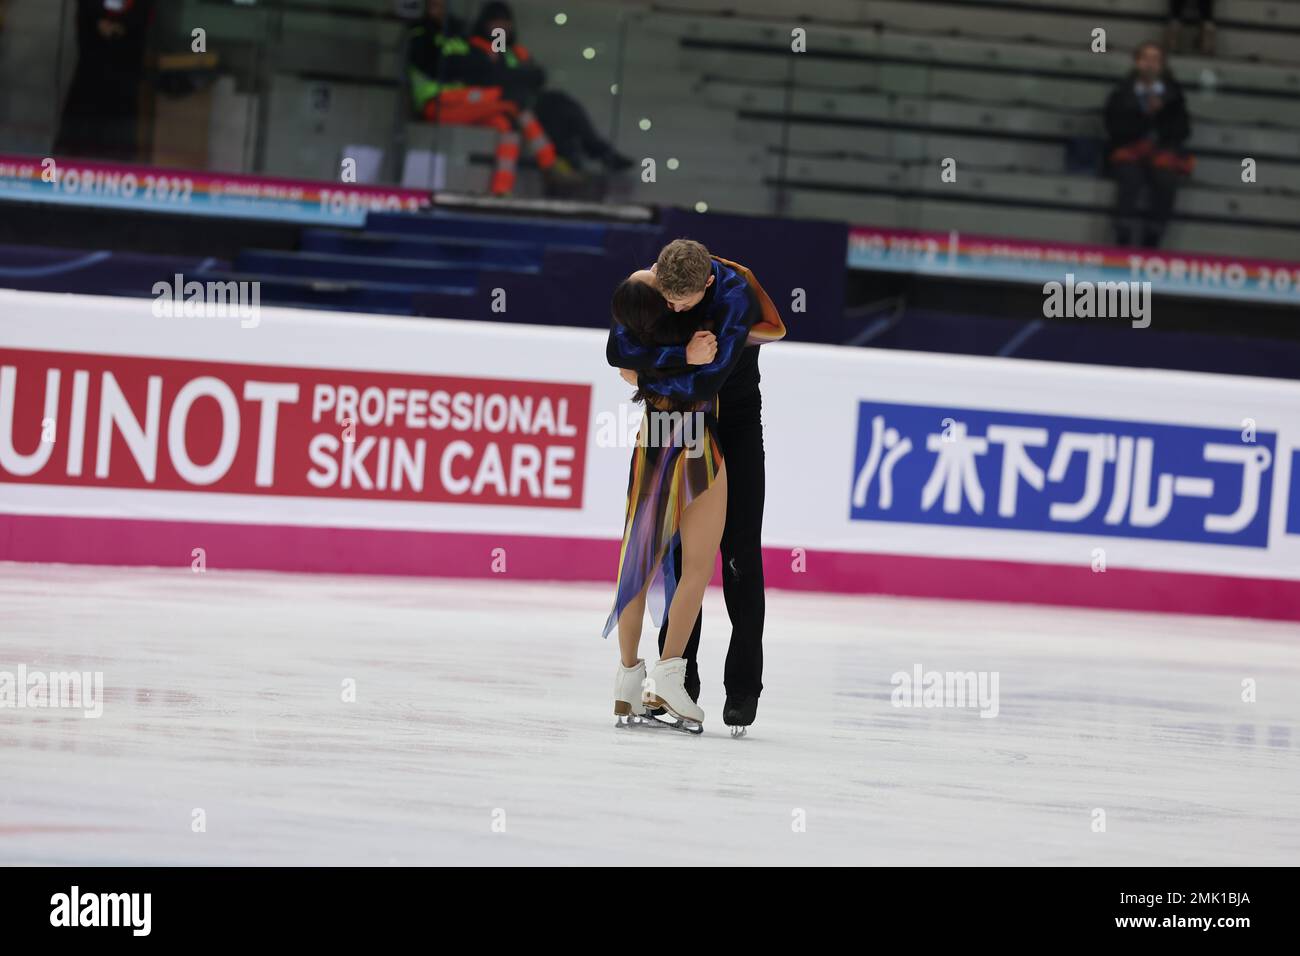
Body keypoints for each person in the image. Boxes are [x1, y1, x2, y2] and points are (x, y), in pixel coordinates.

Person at [606, 239, 786, 735]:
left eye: (680, 303)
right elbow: (617, 353)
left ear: (706, 285)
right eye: (666, 299)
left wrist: (652, 368)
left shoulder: (735, 293)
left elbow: (703, 380)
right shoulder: (648, 285)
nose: (670, 308)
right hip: (675, 423)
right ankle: (676, 679)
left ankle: (743, 688)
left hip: (734, 426)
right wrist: (678, 354)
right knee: (677, 558)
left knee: (741, 555)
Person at [1104, 42, 1193, 249]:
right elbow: (1112, 126)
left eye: (1155, 60)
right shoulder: (1121, 92)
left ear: (1162, 65)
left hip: (1161, 152)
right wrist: (1142, 117)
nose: (1150, 65)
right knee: (1130, 178)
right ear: (1137, 62)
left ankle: (1153, 235)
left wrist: (1162, 114)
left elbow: (1184, 131)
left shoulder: (1174, 96)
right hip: (1129, 150)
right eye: (1146, 59)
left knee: (1166, 179)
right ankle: (1123, 234)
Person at [55, 0, 156, 161]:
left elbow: (142, 20)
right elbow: (86, 18)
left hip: (124, 81)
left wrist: (120, 27)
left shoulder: (141, 7)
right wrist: (101, 23)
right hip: (90, 78)